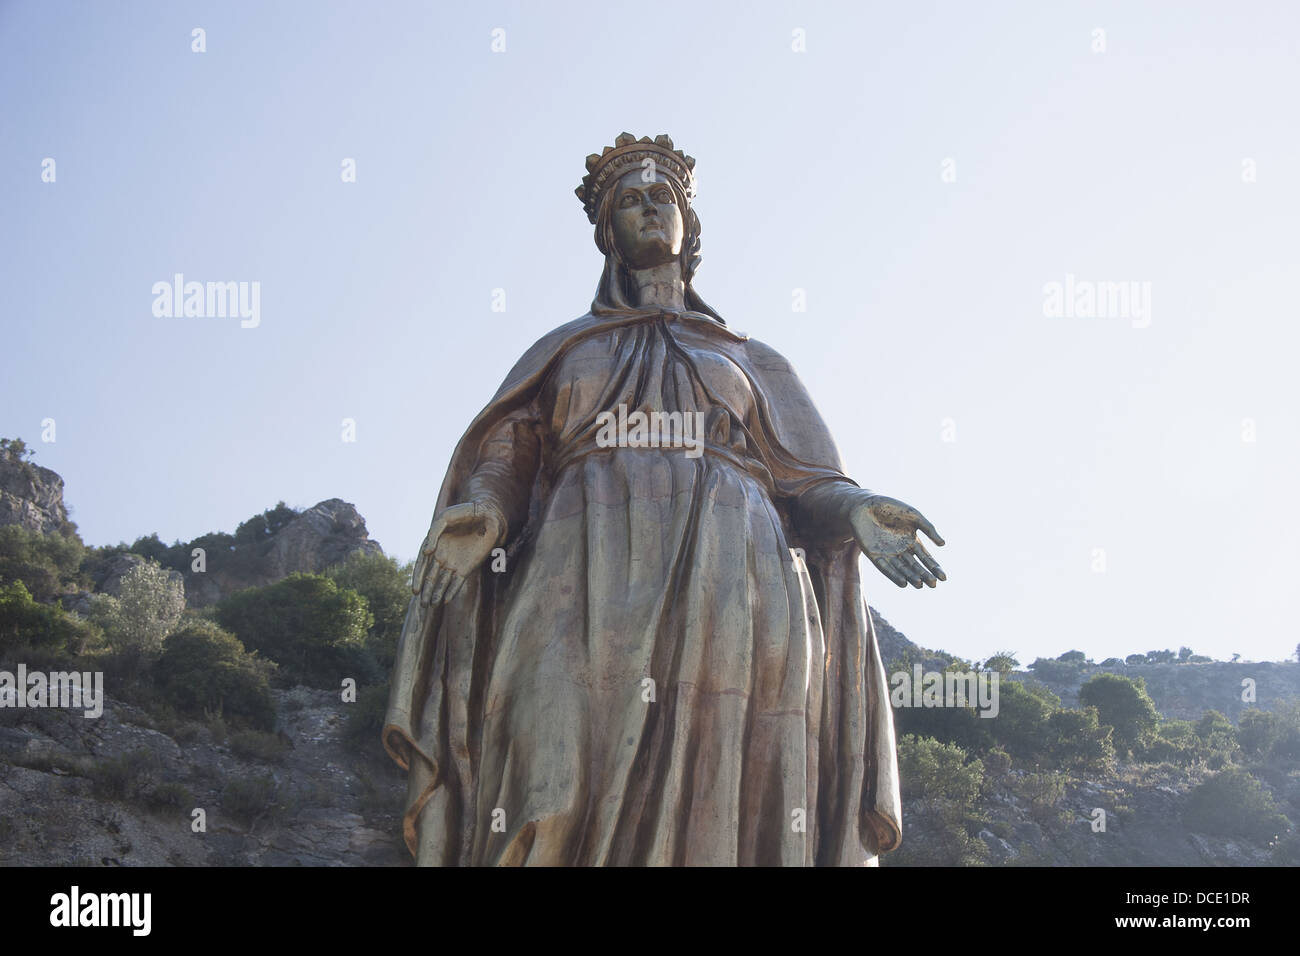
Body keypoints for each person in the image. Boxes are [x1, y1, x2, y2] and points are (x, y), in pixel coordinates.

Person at [384, 133, 946, 865]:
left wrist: (858, 509)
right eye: (628, 202)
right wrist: (485, 509)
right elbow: (510, 451)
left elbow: (808, 479)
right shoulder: (566, 348)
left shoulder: (750, 356)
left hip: (736, 575)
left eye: (662, 197)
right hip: (577, 564)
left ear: (689, 225)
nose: (648, 210)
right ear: (607, 233)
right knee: (546, 767)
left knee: (728, 774)